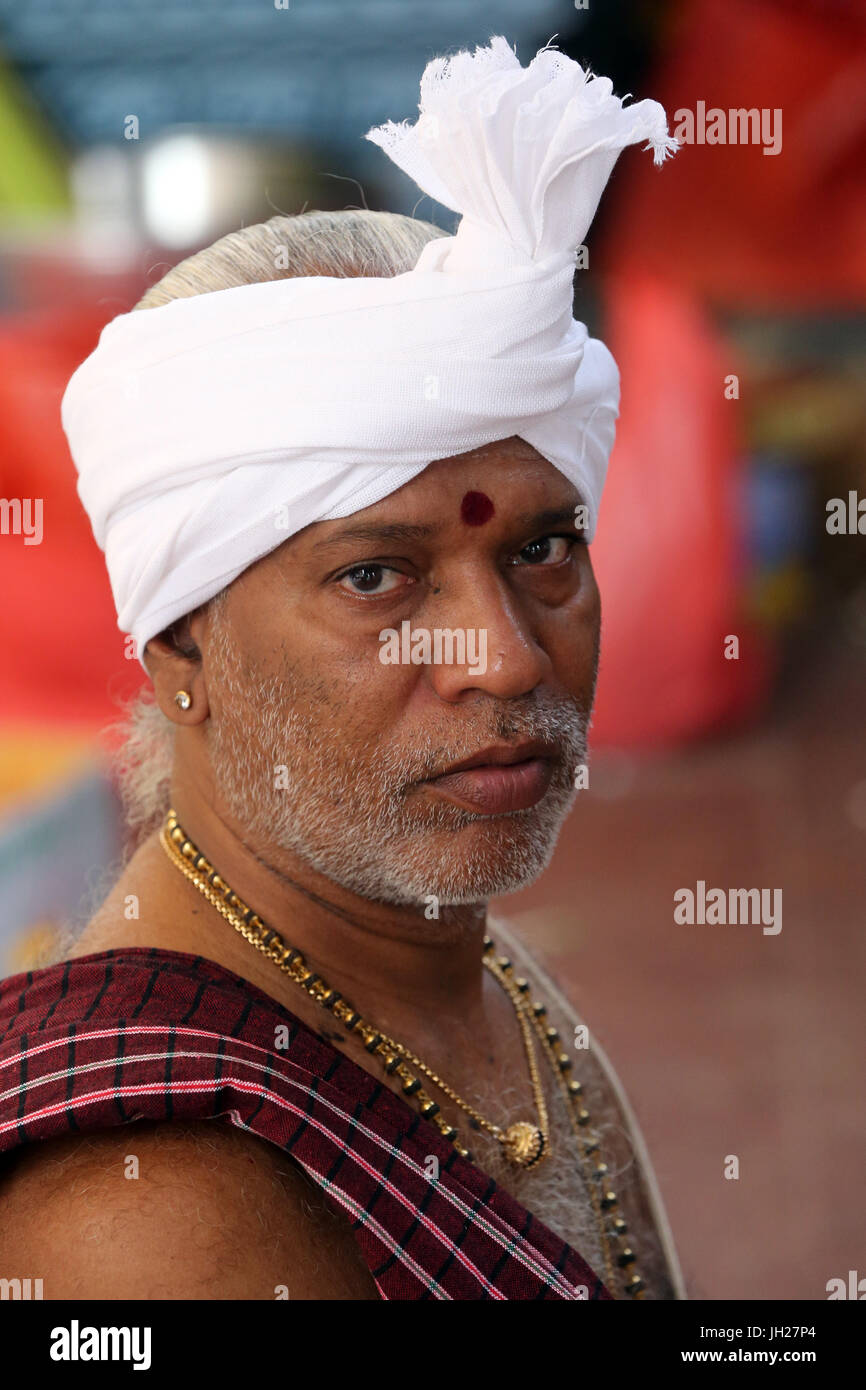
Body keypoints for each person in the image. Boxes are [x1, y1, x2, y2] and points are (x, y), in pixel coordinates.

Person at [0, 36, 685, 1300]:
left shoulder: (460, 977)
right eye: (376, 575)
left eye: (542, 548)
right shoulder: (151, 1216)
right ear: (179, 643)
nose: (499, 656)